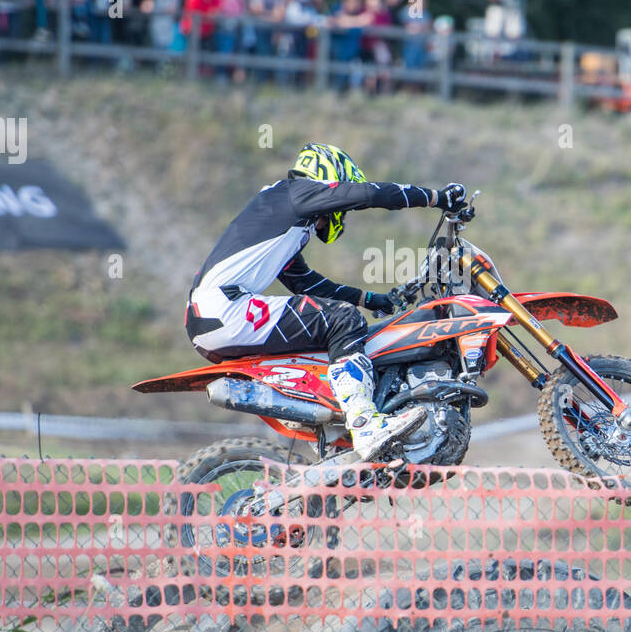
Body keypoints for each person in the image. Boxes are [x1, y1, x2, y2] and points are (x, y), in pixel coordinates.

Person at [185, 143, 467, 459]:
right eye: (338, 204)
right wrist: (436, 198)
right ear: (326, 176)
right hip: (227, 309)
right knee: (343, 319)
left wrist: (371, 299)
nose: (339, 216)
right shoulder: (296, 192)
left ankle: (334, 440)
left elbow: (305, 282)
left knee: (327, 329)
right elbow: (368, 195)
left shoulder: (284, 217)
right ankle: (365, 425)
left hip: (212, 318)